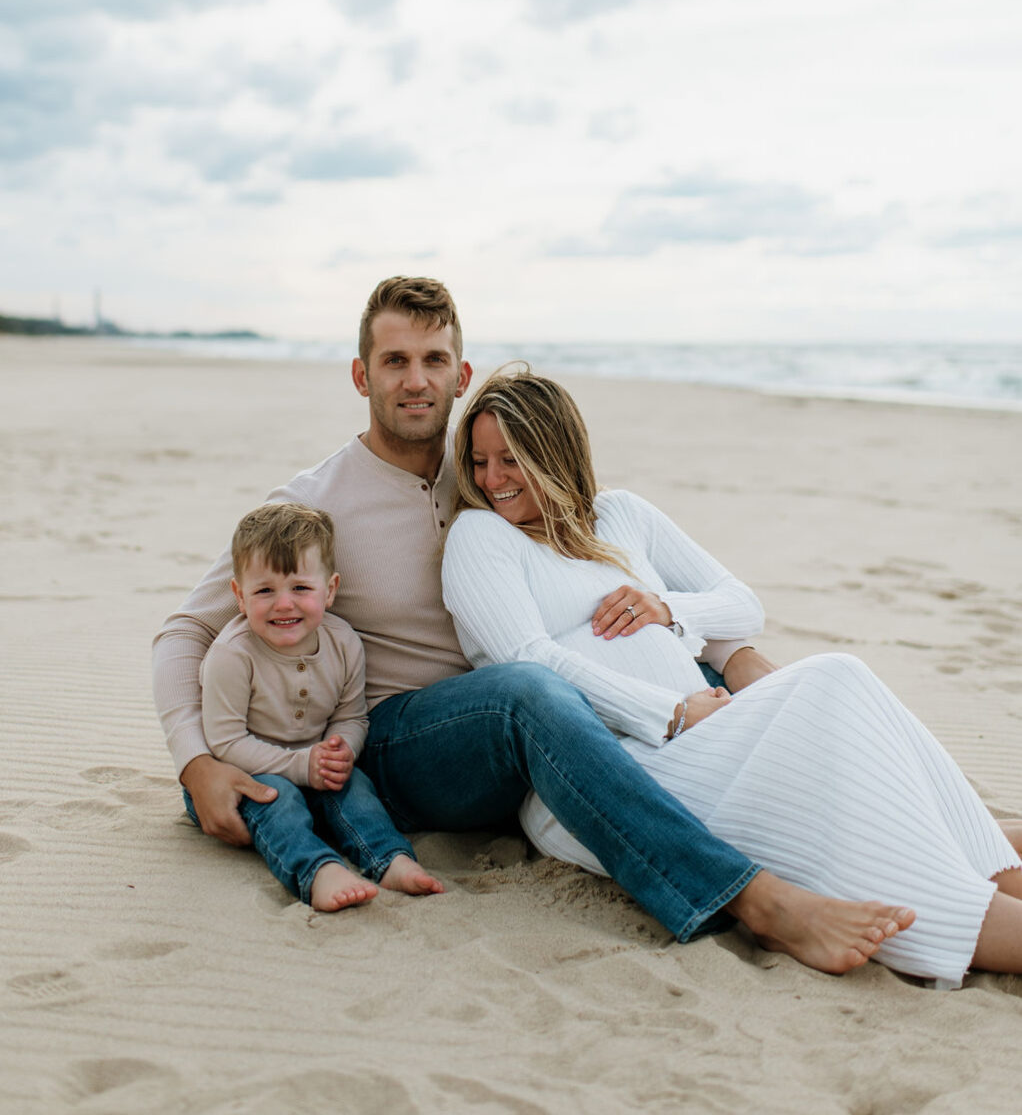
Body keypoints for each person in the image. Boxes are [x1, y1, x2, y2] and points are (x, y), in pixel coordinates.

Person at [154, 275, 915, 975]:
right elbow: (185, 633)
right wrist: (197, 762)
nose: (414, 380)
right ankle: (756, 902)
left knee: (691, 678)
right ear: (362, 376)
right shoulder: (318, 499)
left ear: (461, 374)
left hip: (551, 724)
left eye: (433, 359)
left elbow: (609, 566)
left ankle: (928, 832)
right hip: (406, 743)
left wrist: (733, 653)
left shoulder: (497, 466)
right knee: (527, 687)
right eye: (393, 361)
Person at [441, 365, 1022, 987]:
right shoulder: (482, 538)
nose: (491, 481)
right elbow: (531, 663)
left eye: (510, 459)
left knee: (843, 683)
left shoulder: (621, 516)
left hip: (705, 734)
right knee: (830, 684)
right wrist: (673, 713)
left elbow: (743, 603)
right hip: (611, 771)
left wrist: (671, 610)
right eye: (479, 462)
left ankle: (988, 869)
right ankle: (971, 909)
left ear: (556, 452)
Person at [194, 501, 443, 910]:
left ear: (330, 590)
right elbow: (224, 741)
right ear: (239, 595)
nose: (284, 604)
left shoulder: (343, 643)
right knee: (277, 800)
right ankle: (317, 870)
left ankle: (390, 859)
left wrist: (340, 749)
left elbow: (350, 714)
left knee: (354, 787)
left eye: (301, 588)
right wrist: (300, 767)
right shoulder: (232, 656)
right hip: (243, 775)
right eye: (264, 591)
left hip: (313, 764)